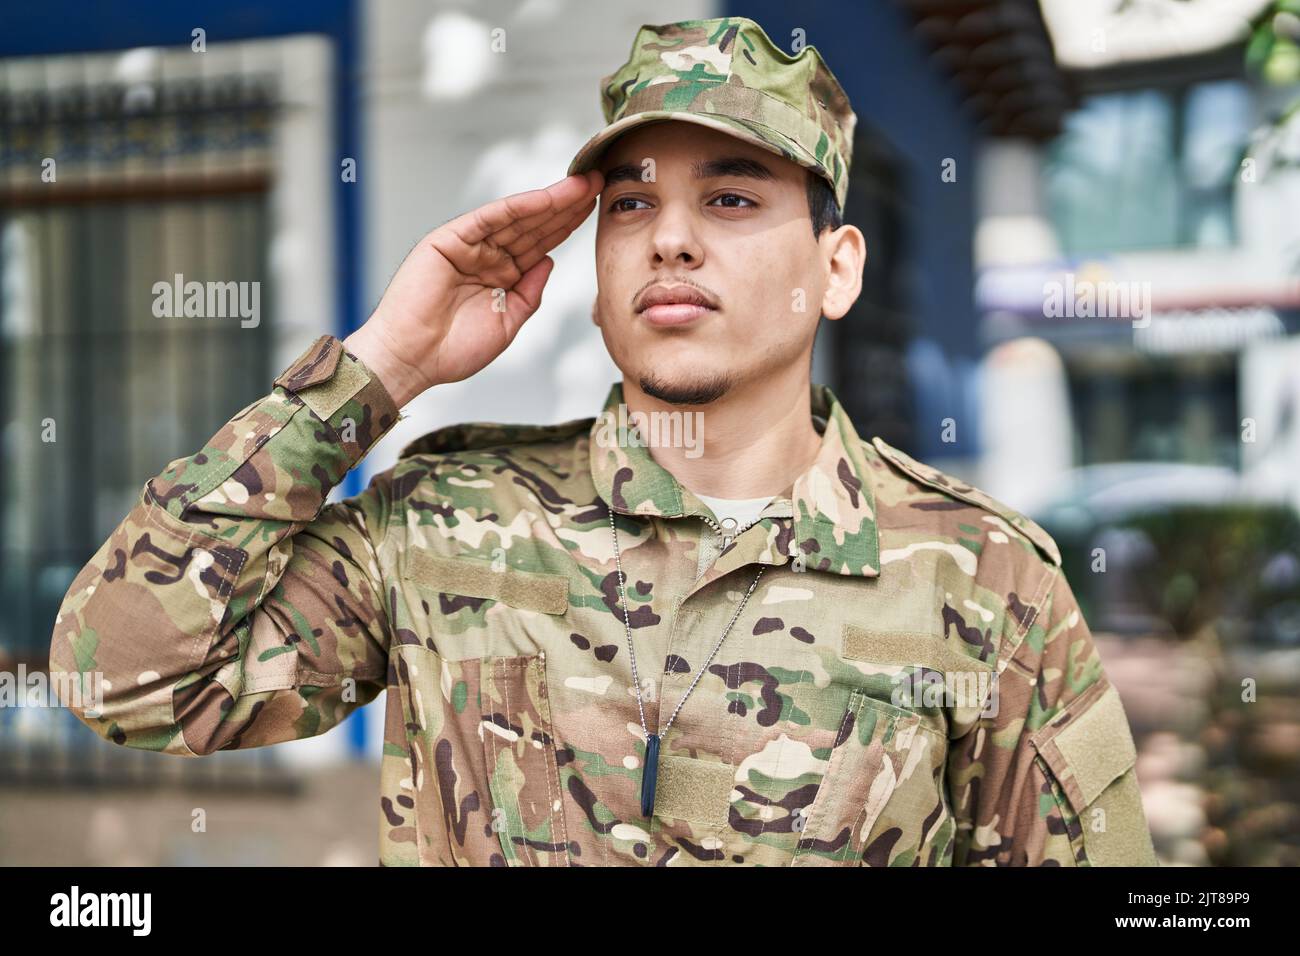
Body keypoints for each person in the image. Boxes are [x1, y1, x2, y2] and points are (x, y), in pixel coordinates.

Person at [48, 16, 1157, 867]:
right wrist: (380, 365)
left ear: (838, 268)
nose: (669, 236)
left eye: (730, 198)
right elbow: (131, 677)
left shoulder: (984, 575)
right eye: (629, 204)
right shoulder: (449, 521)